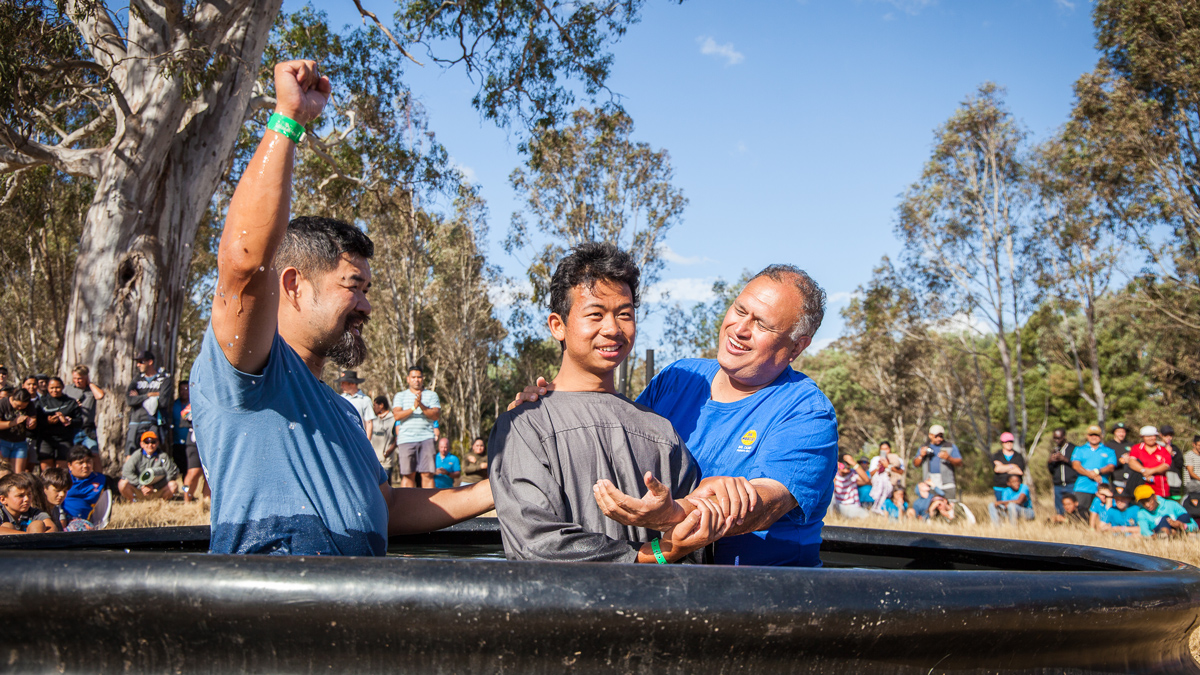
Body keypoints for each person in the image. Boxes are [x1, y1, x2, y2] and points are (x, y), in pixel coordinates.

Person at [190, 60, 492, 556]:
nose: (367, 306)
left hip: (355, 622)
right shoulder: (248, 374)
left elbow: (387, 508)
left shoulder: (342, 412)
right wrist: (288, 122)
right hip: (271, 622)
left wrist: (496, 486)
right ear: (292, 285)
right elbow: (244, 266)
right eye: (353, 286)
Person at [490, 243, 730, 564]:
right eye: (596, 314)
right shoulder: (525, 424)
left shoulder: (662, 432)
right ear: (557, 325)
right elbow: (537, 544)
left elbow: (696, 542)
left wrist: (679, 525)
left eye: (624, 314)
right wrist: (651, 554)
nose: (613, 329)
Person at [586, 264, 839, 567]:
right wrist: (548, 403)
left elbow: (766, 502)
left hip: (764, 599)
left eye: (762, 325)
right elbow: (610, 442)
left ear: (797, 346)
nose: (740, 329)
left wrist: (677, 513)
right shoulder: (678, 378)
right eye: (740, 309)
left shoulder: (807, 413)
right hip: (668, 586)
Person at [392, 366, 441, 489]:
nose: (416, 380)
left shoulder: (432, 395)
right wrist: (413, 407)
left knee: (427, 474)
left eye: (419, 377)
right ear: (408, 379)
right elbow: (397, 415)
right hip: (406, 439)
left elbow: (435, 415)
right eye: (413, 377)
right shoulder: (400, 396)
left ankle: (429, 507)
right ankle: (407, 507)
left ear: (423, 379)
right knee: (408, 474)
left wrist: (422, 406)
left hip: (427, 437)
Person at [126, 350, 171, 455]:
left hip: (153, 423)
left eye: (141, 362)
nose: (138, 365)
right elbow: (130, 400)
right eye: (137, 362)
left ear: (150, 362)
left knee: (152, 453)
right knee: (130, 453)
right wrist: (148, 395)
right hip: (135, 422)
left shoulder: (164, 380)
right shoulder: (137, 380)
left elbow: (163, 401)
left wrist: (139, 398)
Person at [63, 365, 105, 470]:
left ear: (86, 377)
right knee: (73, 457)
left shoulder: (91, 389)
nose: (77, 381)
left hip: (87, 429)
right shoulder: (68, 389)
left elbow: (100, 395)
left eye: (80, 378)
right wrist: (72, 404)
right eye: (75, 378)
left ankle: (100, 482)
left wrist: (89, 383)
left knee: (94, 454)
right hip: (72, 428)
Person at [119, 431, 179, 502]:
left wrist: (154, 487)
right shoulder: (136, 455)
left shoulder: (163, 456)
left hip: (156, 490)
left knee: (173, 485)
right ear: (142, 444)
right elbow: (127, 472)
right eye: (147, 442)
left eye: (153, 442)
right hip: (140, 490)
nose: (150, 445)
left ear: (157, 443)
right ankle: (134, 502)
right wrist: (141, 486)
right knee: (122, 483)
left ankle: (160, 503)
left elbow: (171, 474)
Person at [36, 377, 80, 472]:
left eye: (57, 387)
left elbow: (79, 421)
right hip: (46, 439)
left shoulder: (70, 402)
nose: (54, 390)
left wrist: (68, 421)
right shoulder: (41, 402)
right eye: (51, 388)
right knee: (46, 471)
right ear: (47, 388)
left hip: (64, 439)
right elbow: (36, 421)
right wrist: (47, 421)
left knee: (62, 471)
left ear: (63, 387)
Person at [1070, 425, 1116, 513]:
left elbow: (1111, 467)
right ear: (1087, 436)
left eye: (1096, 435)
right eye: (1091, 435)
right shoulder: (1079, 449)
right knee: (1081, 512)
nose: (1094, 437)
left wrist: (1097, 472)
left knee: (1103, 512)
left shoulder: (1109, 451)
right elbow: (1076, 465)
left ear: (1101, 436)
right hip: (1083, 487)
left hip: (1102, 487)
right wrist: (1090, 474)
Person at [62, 446, 111, 526]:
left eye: (88, 461)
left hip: (82, 522)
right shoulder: (63, 479)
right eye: (80, 463)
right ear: (69, 465)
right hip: (61, 518)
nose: (85, 465)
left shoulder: (100, 479)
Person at [913, 425, 962, 500]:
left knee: (950, 505)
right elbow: (915, 464)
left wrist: (949, 458)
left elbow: (959, 463)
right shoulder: (924, 447)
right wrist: (921, 455)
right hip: (930, 482)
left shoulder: (950, 446)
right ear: (930, 435)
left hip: (947, 482)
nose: (939, 438)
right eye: (936, 436)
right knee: (931, 505)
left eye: (941, 436)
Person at [1128, 426, 1173, 499]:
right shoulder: (1136, 448)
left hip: (1160, 489)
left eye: (1152, 436)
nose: (1150, 438)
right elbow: (1132, 462)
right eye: (1147, 436)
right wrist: (1143, 471)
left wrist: (1151, 471)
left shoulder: (1163, 450)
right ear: (1142, 437)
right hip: (1141, 486)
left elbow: (1166, 465)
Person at [0, 389, 36, 475]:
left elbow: (33, 422)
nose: (19, 408)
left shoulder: (30, 405)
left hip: (20, 442)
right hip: (3, 441)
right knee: (4, 472)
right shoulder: (3, 403)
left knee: (17, 474)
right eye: (17, 406)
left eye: (23, 407)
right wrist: (13, 423)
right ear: (12, 398)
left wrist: (31, 423)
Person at [1046, 428, 1077, 515]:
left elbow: (1077, 466)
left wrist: (1064, 459)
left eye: (1058, 438)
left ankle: (1074, 523)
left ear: (1064, 437)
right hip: (1058, 485)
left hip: (1071, 483)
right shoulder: (1054, 450)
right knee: (1059, 509)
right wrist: (1050, 462)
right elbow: (1051, 470)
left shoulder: (1073, 449)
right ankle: (1061, 524)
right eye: (1054, 438)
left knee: (1072, 507)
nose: (1056, 440)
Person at [336, 370, 375, 437]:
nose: (341, 386)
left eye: (344, 383)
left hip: (359, 438)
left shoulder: (365, 400)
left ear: (352, 384)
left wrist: (367, 443)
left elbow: (369, 423)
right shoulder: (340, 399)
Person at [369, 396, 397, 485]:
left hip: (386, 462)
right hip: (374, 460)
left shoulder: (393, 419)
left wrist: (387, 453)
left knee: (386, 487)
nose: (373, 408)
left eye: (375, 405)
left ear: (381, 405)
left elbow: (397, 439)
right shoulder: (373, 420)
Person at [832, 456, 870, 520]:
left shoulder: (852, 473)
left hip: (852, 506)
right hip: (838, 505)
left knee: (866, 516)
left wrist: (854, 463)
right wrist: (835, 468)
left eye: (848, 464)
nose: (846, 466)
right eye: (844, 463)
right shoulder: (835, 474)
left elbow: (866, 480)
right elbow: (831, 489)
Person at [991, 432, 1025, 501]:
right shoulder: (997, 455)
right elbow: (997, 469)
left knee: (1014, 508)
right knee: (1000, 507)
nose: (1009, 443)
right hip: (1000, 488)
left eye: (1011, 441)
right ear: (1002, 443)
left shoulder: (1018, 456)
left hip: (1015, 489)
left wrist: (1003, 467)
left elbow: (1019, 471)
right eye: (1006, 442)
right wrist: (1013, 466)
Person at [1158, 424, 1186, 499]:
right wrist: (1166, 454)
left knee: (1175, 500)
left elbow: (1180, 464)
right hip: (1160, 481)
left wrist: (1172, 455)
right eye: (1166, 435)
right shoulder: (1156, 447)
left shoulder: (1175, 448)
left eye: (1170, 435)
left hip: (1174, 481)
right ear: (1161, 435)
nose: (1169, 437)